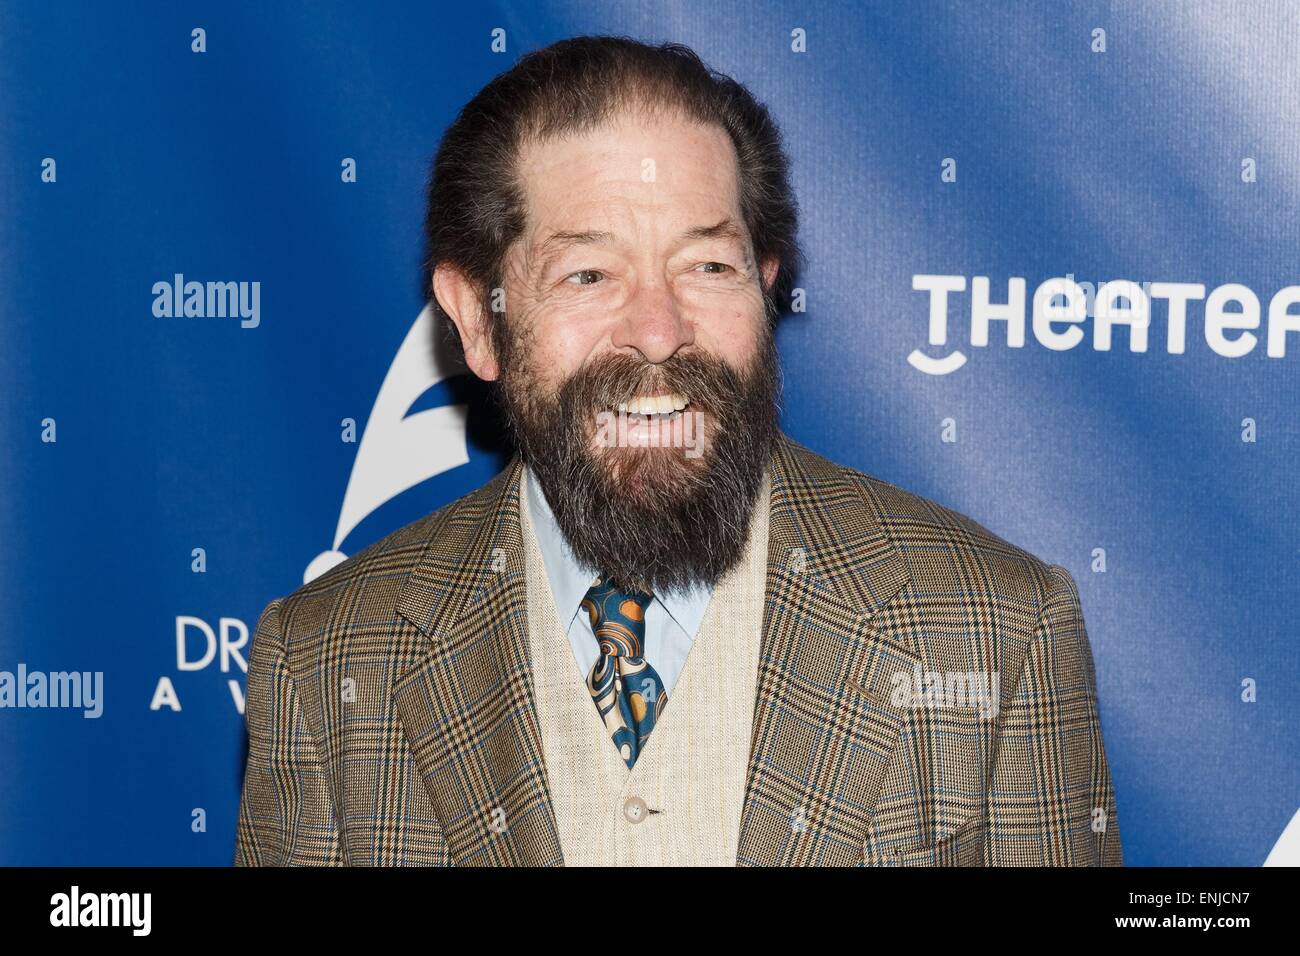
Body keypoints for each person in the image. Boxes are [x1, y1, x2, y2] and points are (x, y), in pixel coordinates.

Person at [234, 35, 1122, 866]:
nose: (658, 332)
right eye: (588, 274)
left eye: (707, 268)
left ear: (766, 288)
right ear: (477, 319)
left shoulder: (995, 628)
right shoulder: (326, 661)